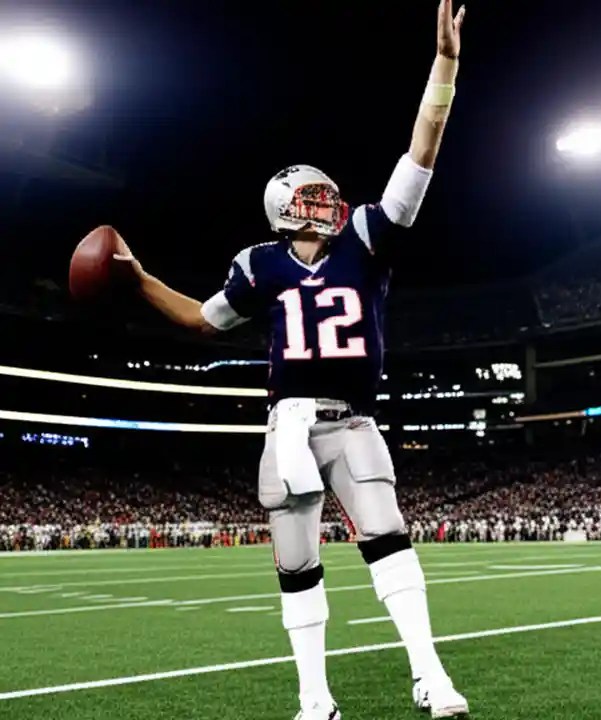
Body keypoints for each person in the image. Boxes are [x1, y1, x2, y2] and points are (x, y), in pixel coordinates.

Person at [109, 3, 469, 716]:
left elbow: (421, 151)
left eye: (327, 194)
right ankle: (314, 699)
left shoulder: (367, 237)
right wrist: (140, 278)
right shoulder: (260, 265)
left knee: (388, 536)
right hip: (290, 426)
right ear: (284, 208)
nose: (328, 202)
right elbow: (201, 320)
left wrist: (446, 65)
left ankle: (430, 674)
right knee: (297, 562)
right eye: (312, 196)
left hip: (353, 419)